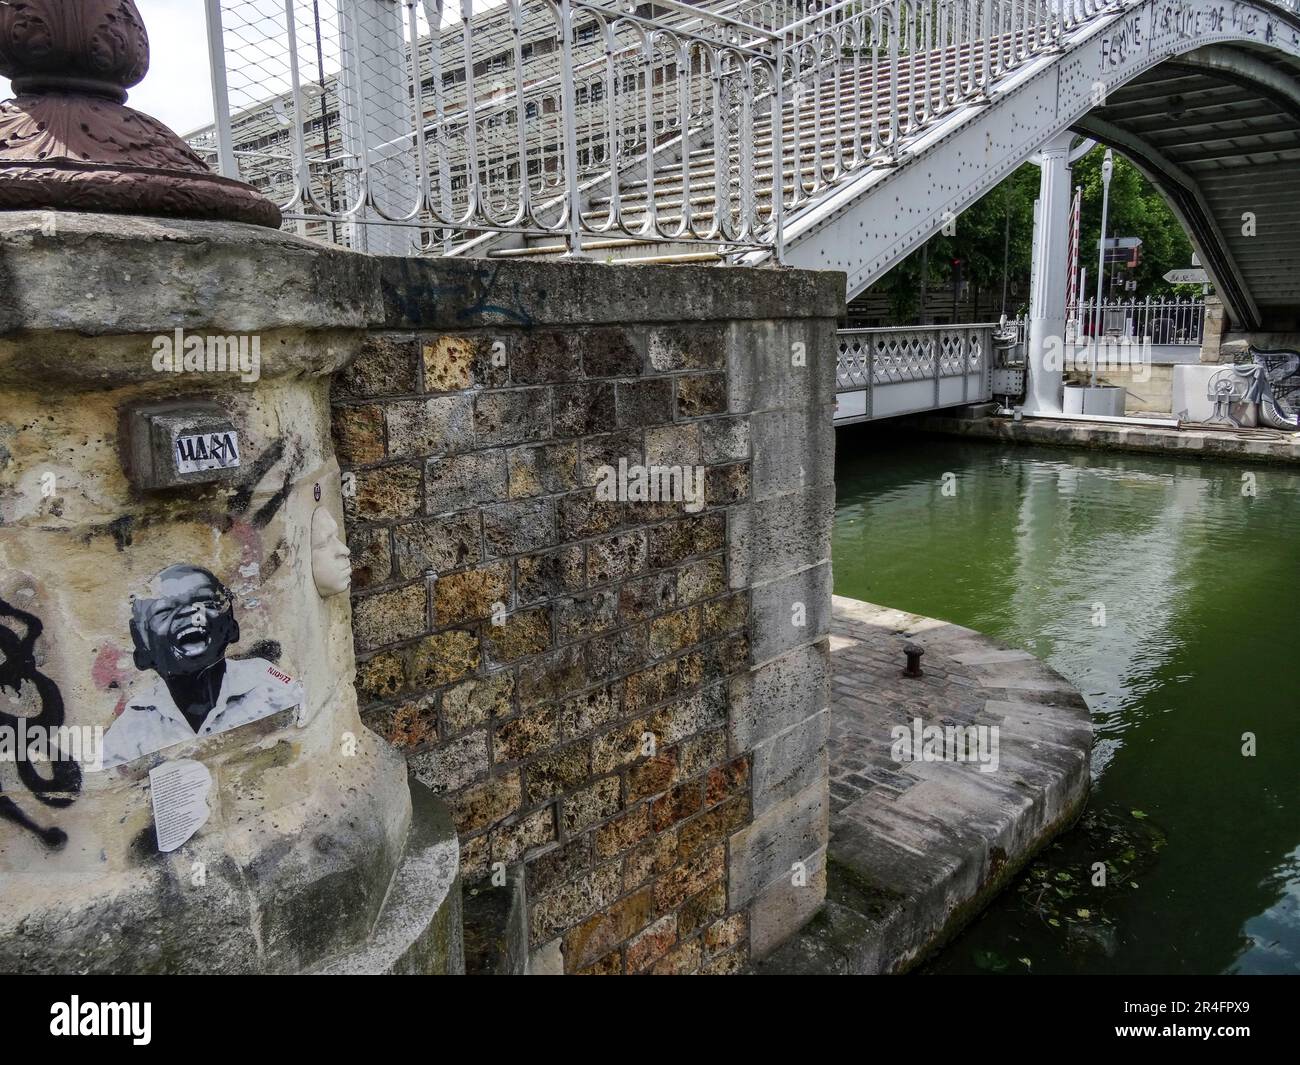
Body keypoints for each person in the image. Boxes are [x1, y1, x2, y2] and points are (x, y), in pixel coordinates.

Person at [101, 565, 301, 769]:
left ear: (231, 626)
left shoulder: (268, 686)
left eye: (205, 602)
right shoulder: (132, 727)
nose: (190, 613)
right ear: (143, 649)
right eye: (164, 611)